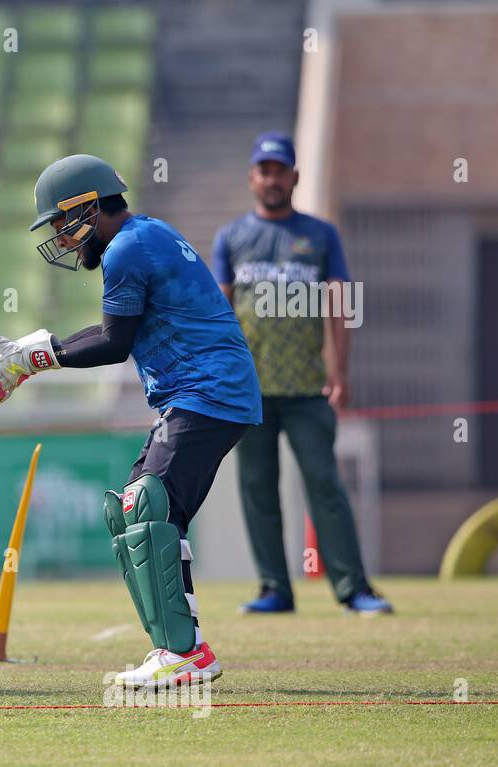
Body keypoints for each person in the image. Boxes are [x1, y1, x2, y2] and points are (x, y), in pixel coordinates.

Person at [0, 154, 261, 688]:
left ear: (91, 207)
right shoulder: (144, 236)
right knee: (132, 512)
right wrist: (32, 354)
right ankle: (181, 650)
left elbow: (113, 343)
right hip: (203, 393)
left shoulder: (128, 248)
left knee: (150, 505)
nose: (64, 238)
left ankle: (183, 654)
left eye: (63, 223)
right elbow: (111, 331)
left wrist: (31, 357)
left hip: (208, 391)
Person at [212, 132, 392, 616]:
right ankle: (274, 588)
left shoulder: (320, 234)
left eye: (280, 170)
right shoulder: (231, 237)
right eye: (264, 170)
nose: (272, 179)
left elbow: (338, 304)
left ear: (294, 177)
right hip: (248, 392)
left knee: (324, 482)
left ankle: (354, 588)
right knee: (258, 487)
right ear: (253, 178)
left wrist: (341, 371)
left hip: (309, 387)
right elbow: (219, 311)